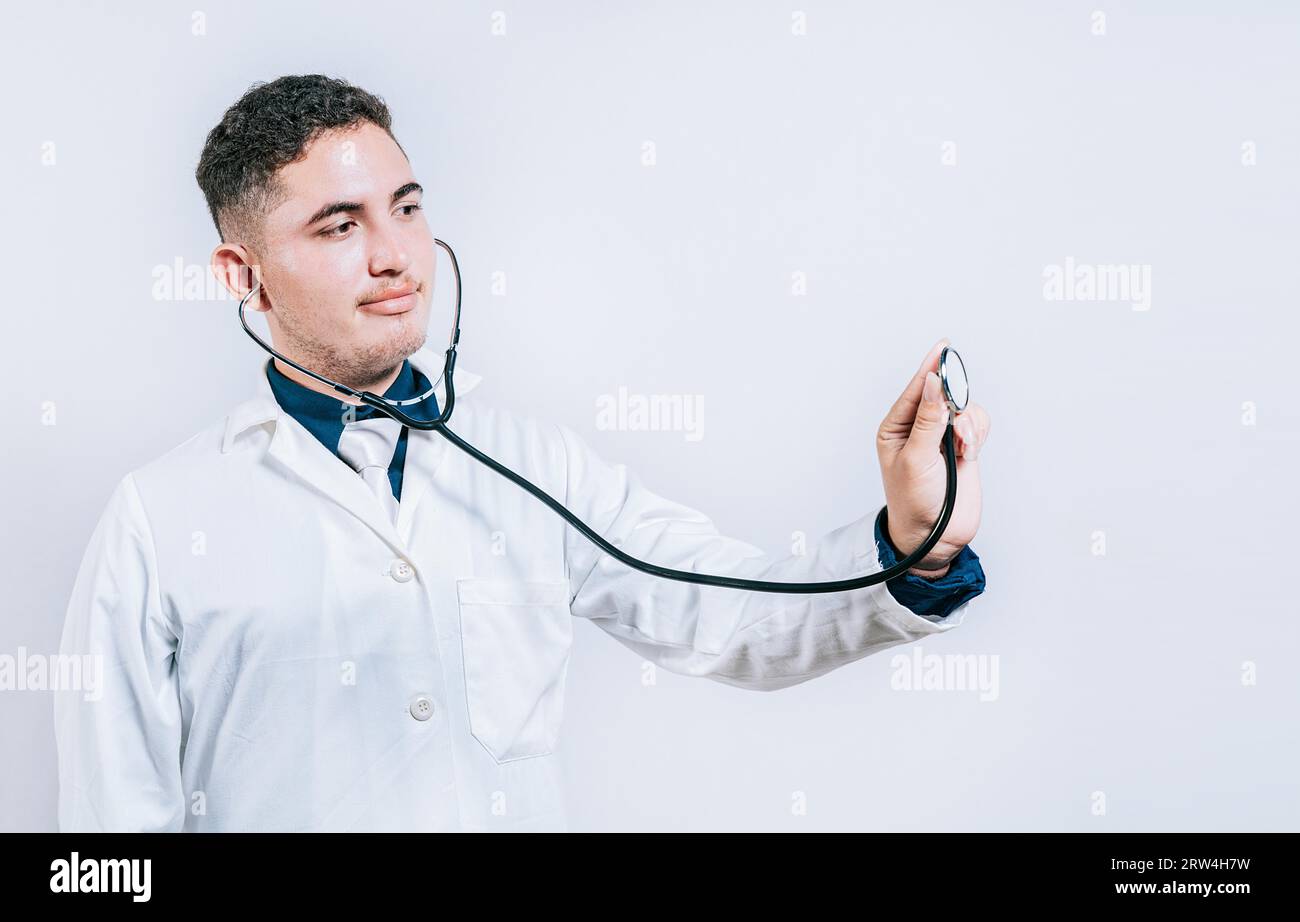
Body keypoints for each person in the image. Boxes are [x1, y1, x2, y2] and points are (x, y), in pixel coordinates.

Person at [54, 75, 992, 832]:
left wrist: (920, 544)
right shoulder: (162, 516)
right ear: (241, 274)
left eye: (407, 208)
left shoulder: (536, 468)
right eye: (340, 226)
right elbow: (111, 831)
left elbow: (732, 618)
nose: (397, 257)